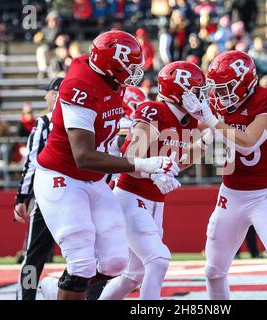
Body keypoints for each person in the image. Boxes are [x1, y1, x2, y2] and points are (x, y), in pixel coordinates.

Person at [22, 31, 179, 300]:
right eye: (129, 66)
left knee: (115, 263)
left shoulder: (109, 79)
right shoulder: (80, 87)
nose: (135, 72)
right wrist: (143, 164)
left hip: (93, 180)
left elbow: (109, 139)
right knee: (82, 264)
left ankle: (53, 289)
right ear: (112, 65)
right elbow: (84, 155)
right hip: (63, 177)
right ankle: (57, 289)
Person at [182, 50, 267, 300]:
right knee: (213, 270)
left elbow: (248, 143)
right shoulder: (216, 106)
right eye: (216, 89)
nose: (218, 95)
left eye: (225, 88)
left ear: (245, 82)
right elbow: (199, 142)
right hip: (231, 195)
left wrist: (213, 122)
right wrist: (170, 162)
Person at [100, 61, 210, 300]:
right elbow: (130, 159)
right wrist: (153, 172)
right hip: (130, 196)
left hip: (154, 201)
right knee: (158, 260)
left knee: (133, 275)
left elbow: (181, 161)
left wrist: (206, 140)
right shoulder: (154, 110)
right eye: (197, 90)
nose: (201, 96)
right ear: (180, 91)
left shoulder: (189, 122)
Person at [14, 77, 63, 300]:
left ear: (57, 94)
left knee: (34, 256)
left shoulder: (45, 122)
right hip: (80, 194)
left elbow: (32, 161)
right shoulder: (83, 120)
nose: (45, 97)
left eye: (48, 93)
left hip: (48, 197)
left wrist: (22, 197)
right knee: (85, 257)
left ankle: (27, 297)